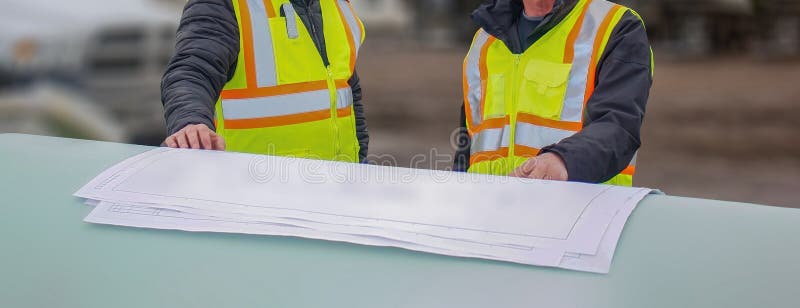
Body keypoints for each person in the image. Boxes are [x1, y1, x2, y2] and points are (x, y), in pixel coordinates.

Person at [454, 0, 653, 186]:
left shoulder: (616, 27)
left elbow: (618, 126)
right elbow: (467, 147)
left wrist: (562, 161)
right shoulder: (484, 41)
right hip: (490, 208)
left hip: (583, 208)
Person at [161, 0, 369, 163]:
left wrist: (359, 166)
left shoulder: (337, 4)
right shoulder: (226, 4)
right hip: (252, 191)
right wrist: (190, 122)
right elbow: (192, 70)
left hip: (336, 188)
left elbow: (347, 93)